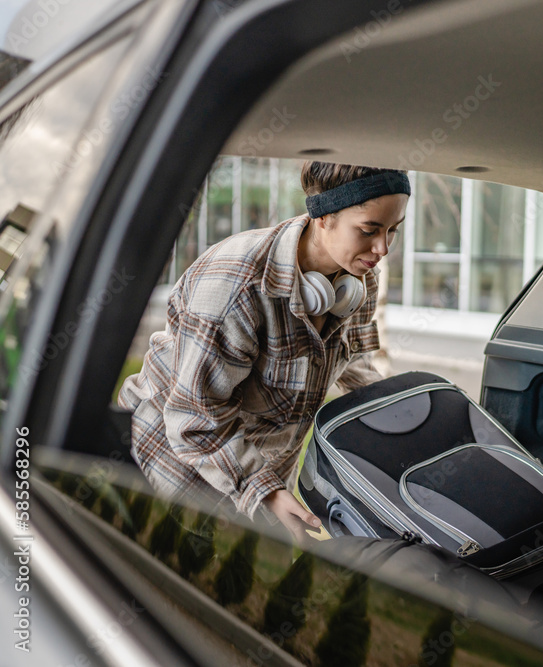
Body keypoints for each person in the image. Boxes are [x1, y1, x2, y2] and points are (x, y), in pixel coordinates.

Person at [118, 161, 409, 542]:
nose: (383, 248)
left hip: (263, 470)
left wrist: (401, 417)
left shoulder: (359, 281)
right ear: (323, 216)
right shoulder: (234, 288)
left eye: (393, 231)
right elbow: (193, 420)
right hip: (174, 468)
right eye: (370, 230)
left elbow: (356, 364)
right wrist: (265, 491)